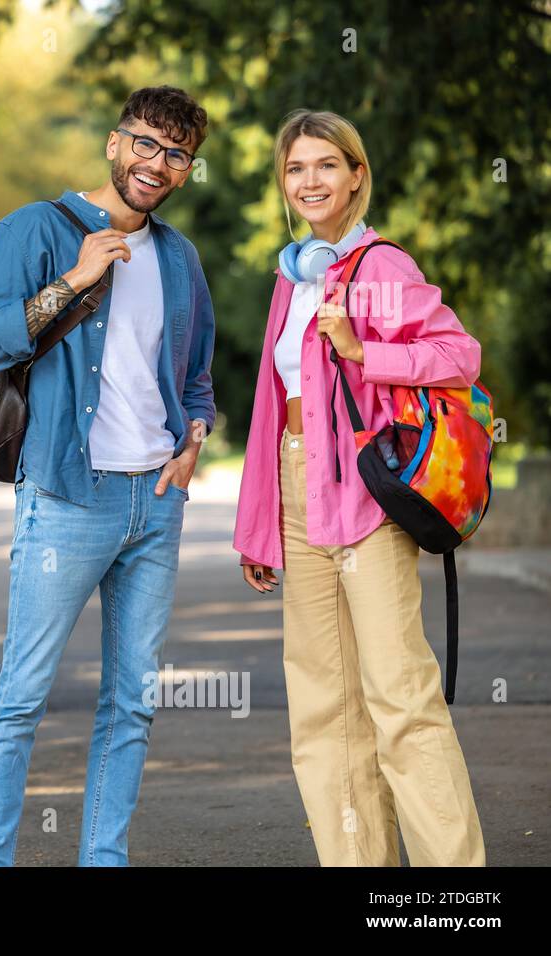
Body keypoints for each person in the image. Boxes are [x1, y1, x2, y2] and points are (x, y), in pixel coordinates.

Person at [0, 86, 216, 865]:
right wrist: (71, 280)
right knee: (22, 698)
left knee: (132, 702)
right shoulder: (34, 228)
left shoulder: (178, 256)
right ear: (114, 144)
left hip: (156, 501)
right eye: (146, 144)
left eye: (177, 154)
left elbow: (195, 373)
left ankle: (104, 859)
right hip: (67, 498)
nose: (158, 164)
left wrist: (194, 435)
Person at [233, 109, 485, 865]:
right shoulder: (293, 276)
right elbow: (270, 409)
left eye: (325, 165)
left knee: (400, 699)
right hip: (295, 483)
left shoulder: (379, 269)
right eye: (295, 168)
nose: (310, 180)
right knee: (321, 707)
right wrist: (258, 526)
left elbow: (458, 355)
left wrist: (363, 348)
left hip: (367, 494)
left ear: (355, 175)